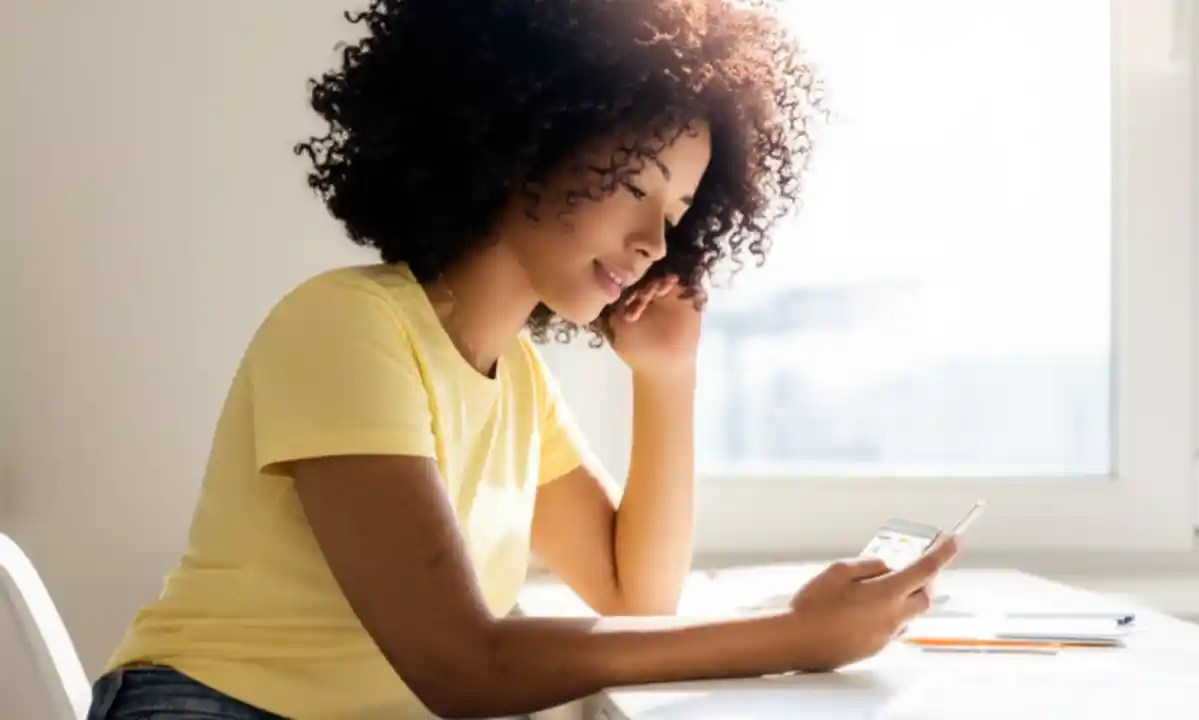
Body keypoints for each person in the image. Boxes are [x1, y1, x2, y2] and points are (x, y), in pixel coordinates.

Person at [88, 1, 959, 718]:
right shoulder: (346, 325)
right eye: (633, 188)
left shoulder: (516, 381)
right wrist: (795, 639)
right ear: (524, 149)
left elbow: (633, 598)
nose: (658, 241)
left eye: (680, 209)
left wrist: (666, 379)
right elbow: (463, 665)